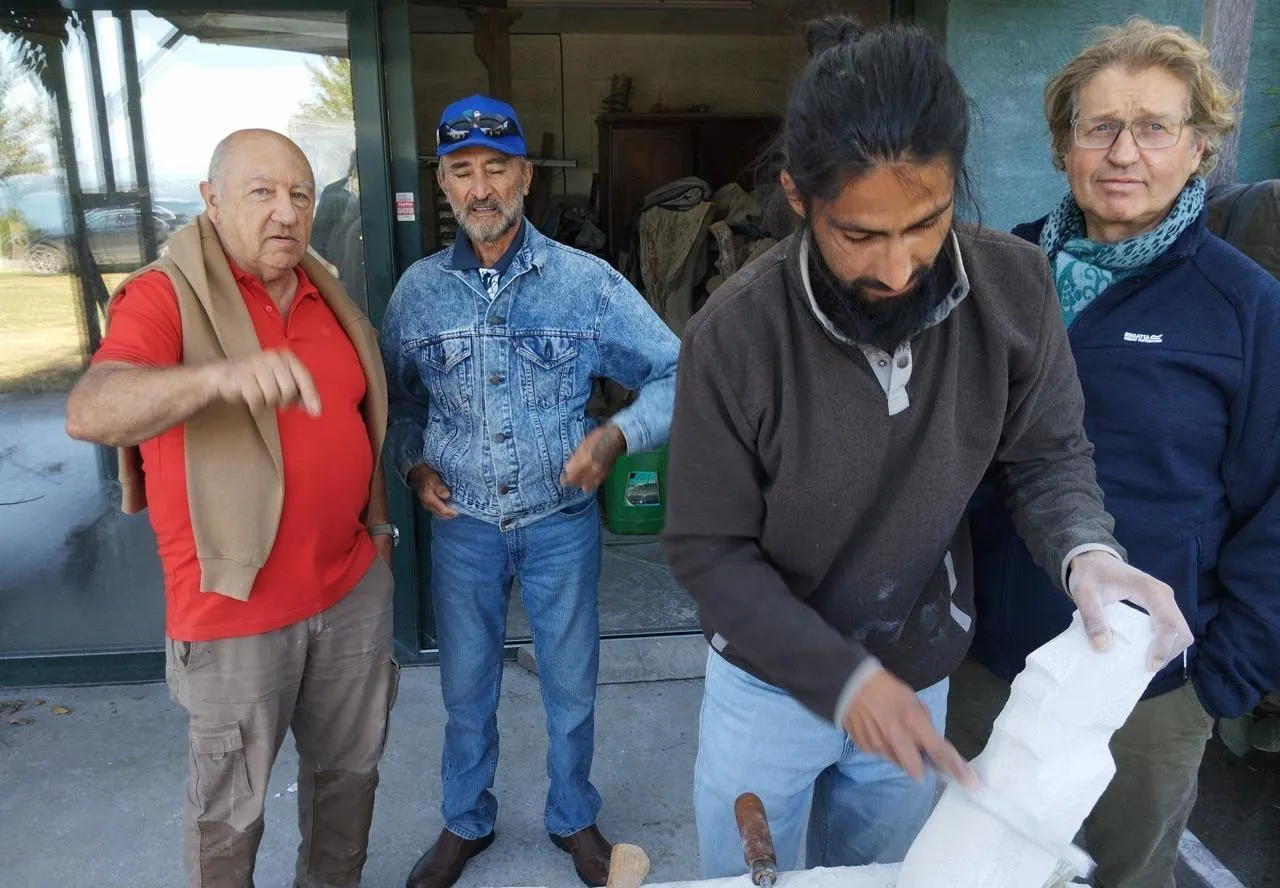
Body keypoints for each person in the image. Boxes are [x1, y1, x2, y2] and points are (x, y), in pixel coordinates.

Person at [659, 16, 1193, 878]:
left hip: (916, 667)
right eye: (859, 235)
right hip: (767, 680)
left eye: (926, 223)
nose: (899, 269)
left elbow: (1048, 455)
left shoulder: (1014, 289)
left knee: (893, 875)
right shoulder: (735, 335)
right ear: (797, 196)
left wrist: (1087, 552)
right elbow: (705, 547)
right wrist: (841, 681)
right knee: (747, 875)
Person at [964, 19, 1280, 888]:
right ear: (1063, 144)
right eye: (1099, 126)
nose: (1123, 152)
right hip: (987, 666)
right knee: (970, 869)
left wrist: (1218, 681)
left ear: (1200, 148)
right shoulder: (998, 271)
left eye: (1154, 126)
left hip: (1145, 693)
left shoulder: (1244, 306)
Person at [64, 129, 399, 888]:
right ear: (211, 200)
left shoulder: (324, 289)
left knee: (349, 781)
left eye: (300, 194)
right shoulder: (164, 295)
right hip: (234, 610)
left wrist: (378, 527)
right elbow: (91, 410)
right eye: (261, 192)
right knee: (229, 816)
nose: (286, 211)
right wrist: (215, 378)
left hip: (350, 589)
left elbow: (356, 418)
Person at [381, 95, 680, 888]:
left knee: (571, 685)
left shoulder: (586, 284)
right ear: (442, 184)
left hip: (560, 523)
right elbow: (396, 401)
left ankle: (573, 815)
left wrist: (617, 436)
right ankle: (465, 820)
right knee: (466, 689)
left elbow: (678, 370)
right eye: (462, 171)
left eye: (496, 169)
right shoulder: (417, 294)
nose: (480, 188)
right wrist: (412, 465)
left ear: (525, 177)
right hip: (464, 526)